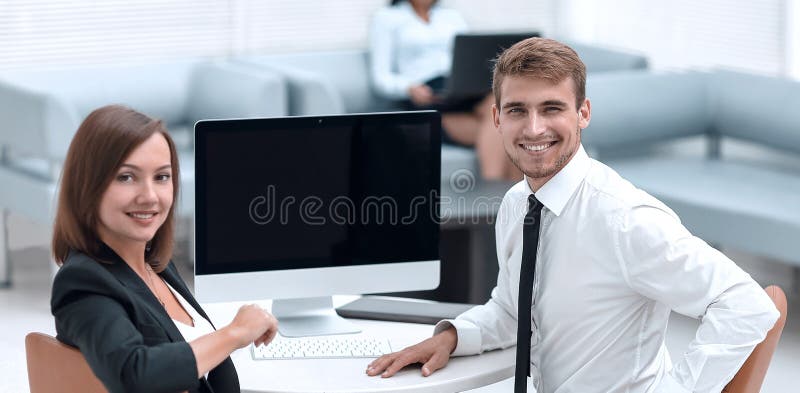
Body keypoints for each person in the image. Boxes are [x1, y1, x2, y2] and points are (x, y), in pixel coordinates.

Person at [366, 38, 780, 392]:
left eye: (551, 108)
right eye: (516, 110)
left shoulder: (623, 218)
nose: (533, 128)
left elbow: (746, 305)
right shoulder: (516, 205)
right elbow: (513, 311)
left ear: (583, 113)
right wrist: (454, 336)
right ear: (495, 119)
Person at [50, 105, 279, 393]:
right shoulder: (83, 283)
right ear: (88, 186)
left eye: (161, 177)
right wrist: (235, 333)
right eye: (126, 177)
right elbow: (134, 373)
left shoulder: (154, 263)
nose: (149, 196)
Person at [369, 0, 521, 181]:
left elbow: (470, 55)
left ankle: (509, 202)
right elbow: (380, 77)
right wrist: (408, 88)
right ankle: (503, 199)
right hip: (424, 96)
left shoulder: (451, 16)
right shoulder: (387, 18)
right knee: (510, 131)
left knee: (498, 103)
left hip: (460, 89)